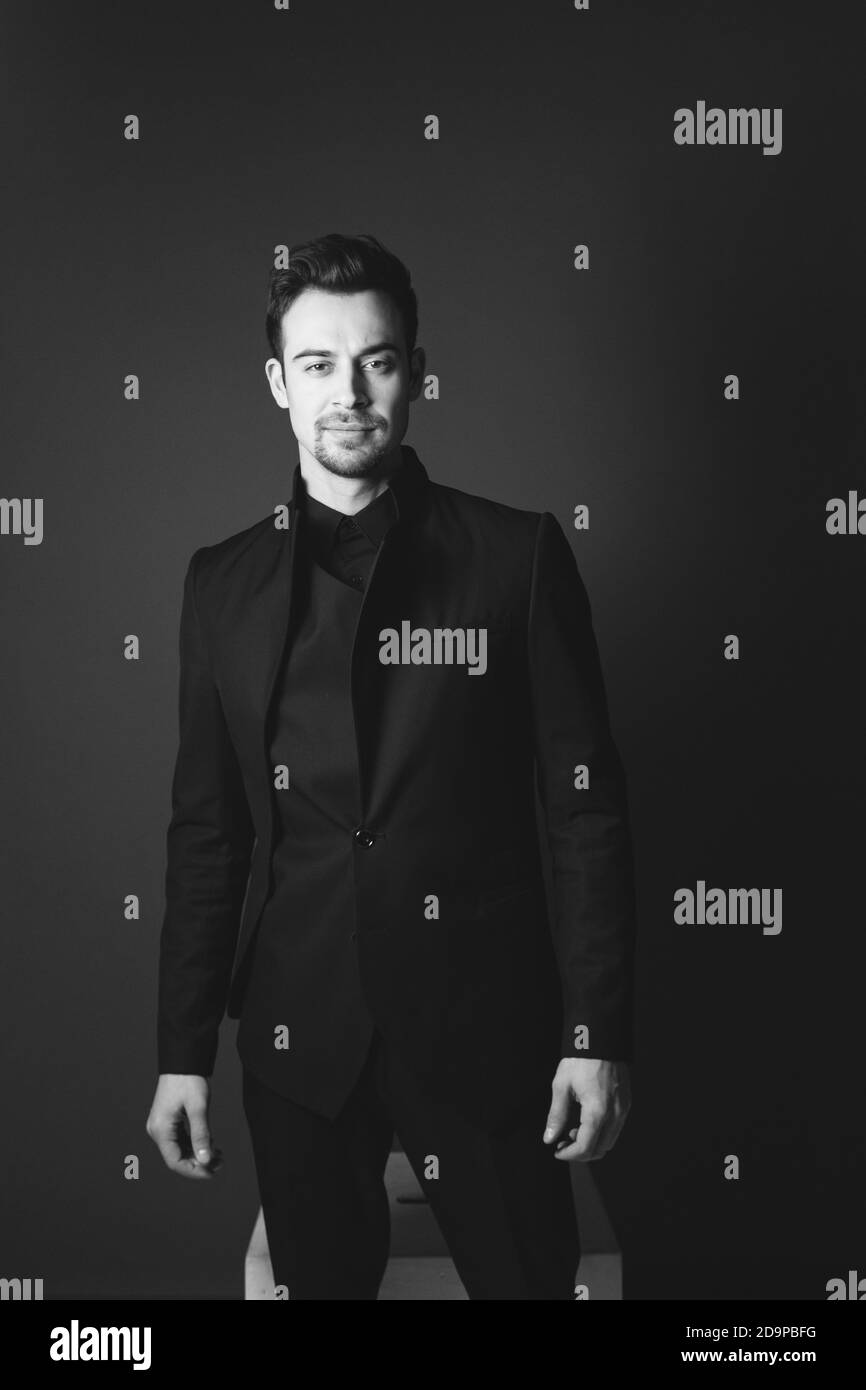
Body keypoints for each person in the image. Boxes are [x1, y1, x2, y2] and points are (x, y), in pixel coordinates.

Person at [146, 232, 637, 1300]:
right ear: (278, 382)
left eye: (376, 359)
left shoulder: (517, 557)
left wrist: (593, 1034)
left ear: (413, 371)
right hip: (296, 1042)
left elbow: (582, 812)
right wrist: (182, 1051)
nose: (349, 390)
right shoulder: (217, 583)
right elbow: (207, 832)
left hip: (485, 1040)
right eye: (318, 364)